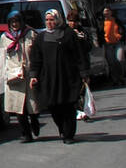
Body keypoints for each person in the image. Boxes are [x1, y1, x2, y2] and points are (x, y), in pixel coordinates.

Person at [29, 8, 90, 144]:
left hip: (67, 76)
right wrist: (34, 75)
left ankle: (69, 134)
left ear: (58, 20)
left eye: (52, 20)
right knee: (53, 106)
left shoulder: (68, 34)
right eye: (47, 20)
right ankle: (62, 127)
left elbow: (78, 55)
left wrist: (83, 73)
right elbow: (36, 58)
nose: (49, 22)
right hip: (49, 78)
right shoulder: (41, 37)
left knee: (68, 105)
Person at [0, 10, 41, 141]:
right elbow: (1, 58)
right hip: (13, 77)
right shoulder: (5, 37)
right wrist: (1, 77)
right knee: (18, 109)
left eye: (17, 21)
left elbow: (38, 54)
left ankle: (34, 122)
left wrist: (37, 72)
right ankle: (26, 133)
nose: (15, 24)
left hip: (29, 75)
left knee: (32, 106)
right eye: (12, 22)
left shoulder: (30, 34)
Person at [102, 7, 126, 86]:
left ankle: (121, 77)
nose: (107, 13)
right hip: (108, 44)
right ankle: (114, 79)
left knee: (119, 60)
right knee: (111, 62)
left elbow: (123, 30)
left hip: (117, 43)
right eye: (105, 11)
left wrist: (121, 36)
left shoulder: (116, 21)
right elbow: (100, 32)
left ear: (111, 12)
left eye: (108, 11)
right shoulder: (102, 22)